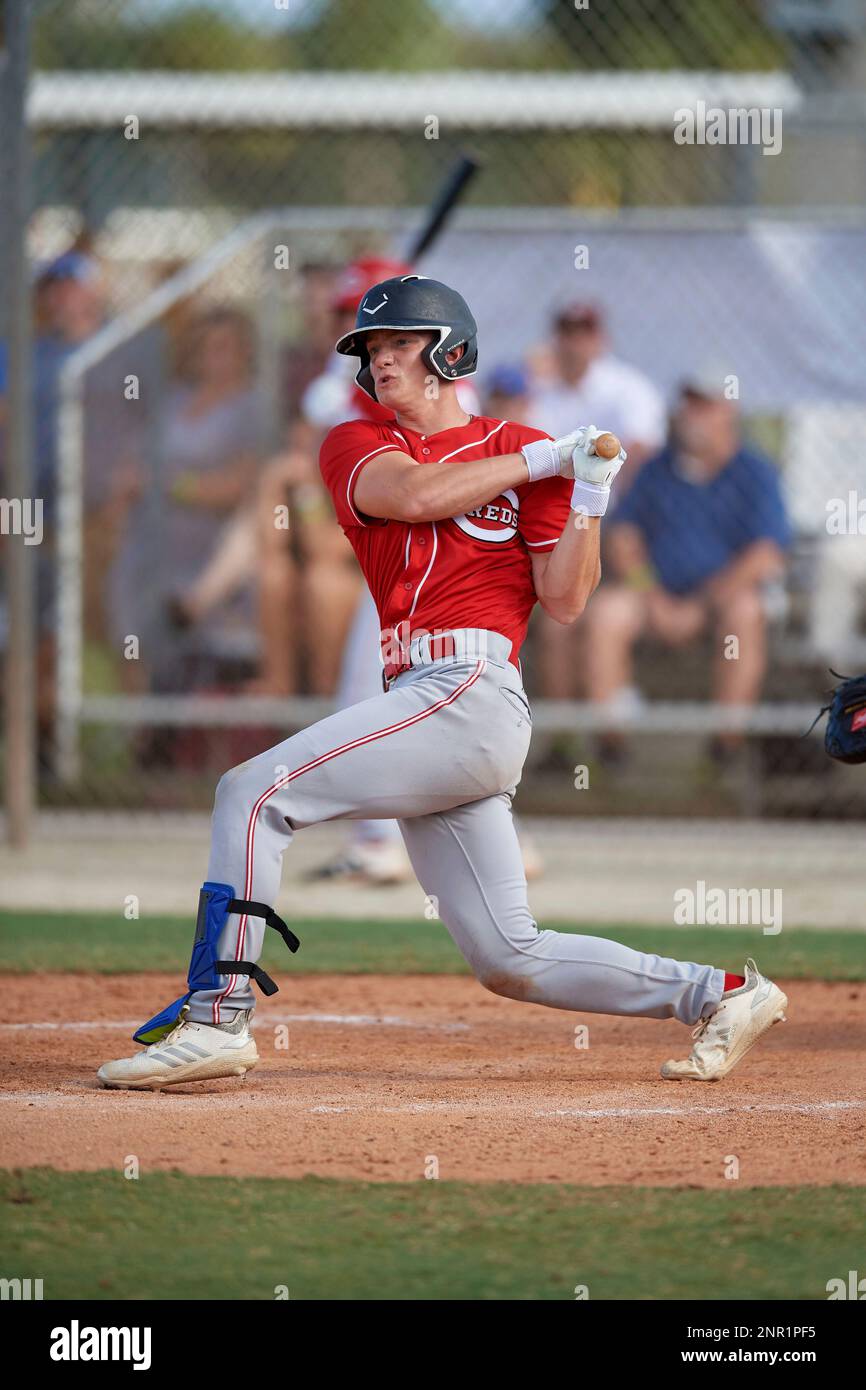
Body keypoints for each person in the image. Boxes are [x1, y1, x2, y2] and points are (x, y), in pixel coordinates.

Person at [97, 275, 788, 1091]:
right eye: (372, 349)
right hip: (423, 700)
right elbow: (417, 495)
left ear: (448, 352)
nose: (381, 360)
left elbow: (566, 599)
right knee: (508, 955)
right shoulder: (356, 445)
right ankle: (724, 993)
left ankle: (217, 1017)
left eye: (400, 345)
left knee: (251, 794)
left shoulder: (524, 447)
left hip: (472, 690)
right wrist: (539, 459)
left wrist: (587, 500)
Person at [583, 374, 792, 760]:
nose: (692, 415)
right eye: (688, 403)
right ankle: (612, 746)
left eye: (705, 405)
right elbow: (623, 538)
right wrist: (652, 595)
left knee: (746, 610)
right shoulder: (655, 468)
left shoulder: (754, 471)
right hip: (654, 596)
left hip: (718, 603)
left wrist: (699, 604)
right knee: (606, 613)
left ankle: (725, 746)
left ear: (728, 413)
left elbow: (766, 554)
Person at [528, 302, 667, 698]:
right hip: (555, 524)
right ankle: (565, 742)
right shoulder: (539, 387)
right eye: (566, 332)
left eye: (583, 332)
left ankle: (607, 737)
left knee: (600, 619)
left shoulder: (627, 387)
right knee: (559, 623)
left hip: (616, 522)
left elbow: (639, 459)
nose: (574, 343)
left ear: (600, 339)